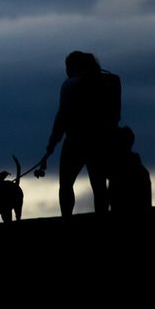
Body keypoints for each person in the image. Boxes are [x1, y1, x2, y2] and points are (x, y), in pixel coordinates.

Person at [37, 51, 121, 217]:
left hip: (75, 140)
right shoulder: (111, 82)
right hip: (101, 141)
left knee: (66, 184)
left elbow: (62, 116)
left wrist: (51, 145)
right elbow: (116, 116)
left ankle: (67, 216)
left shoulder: (70, 84)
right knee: (99, 184)